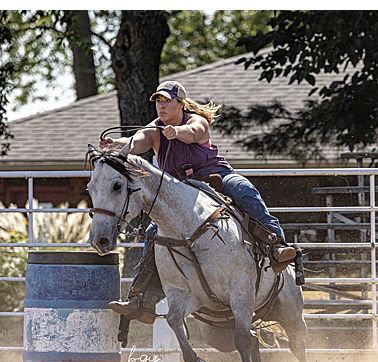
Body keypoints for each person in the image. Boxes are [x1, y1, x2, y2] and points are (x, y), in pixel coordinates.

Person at [98, 81, 299, 333]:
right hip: (183, 195)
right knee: (153, 233)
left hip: (215, 177)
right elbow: (139, 140)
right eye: (158, 101)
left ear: (180, 103)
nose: (161, 105)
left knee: (244, 191)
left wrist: (176, 133)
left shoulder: (197, 121)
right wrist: (118, 145)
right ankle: (141, 297)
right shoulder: (155, 129)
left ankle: (276, 243)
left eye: (166, 101)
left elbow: (193, 133)